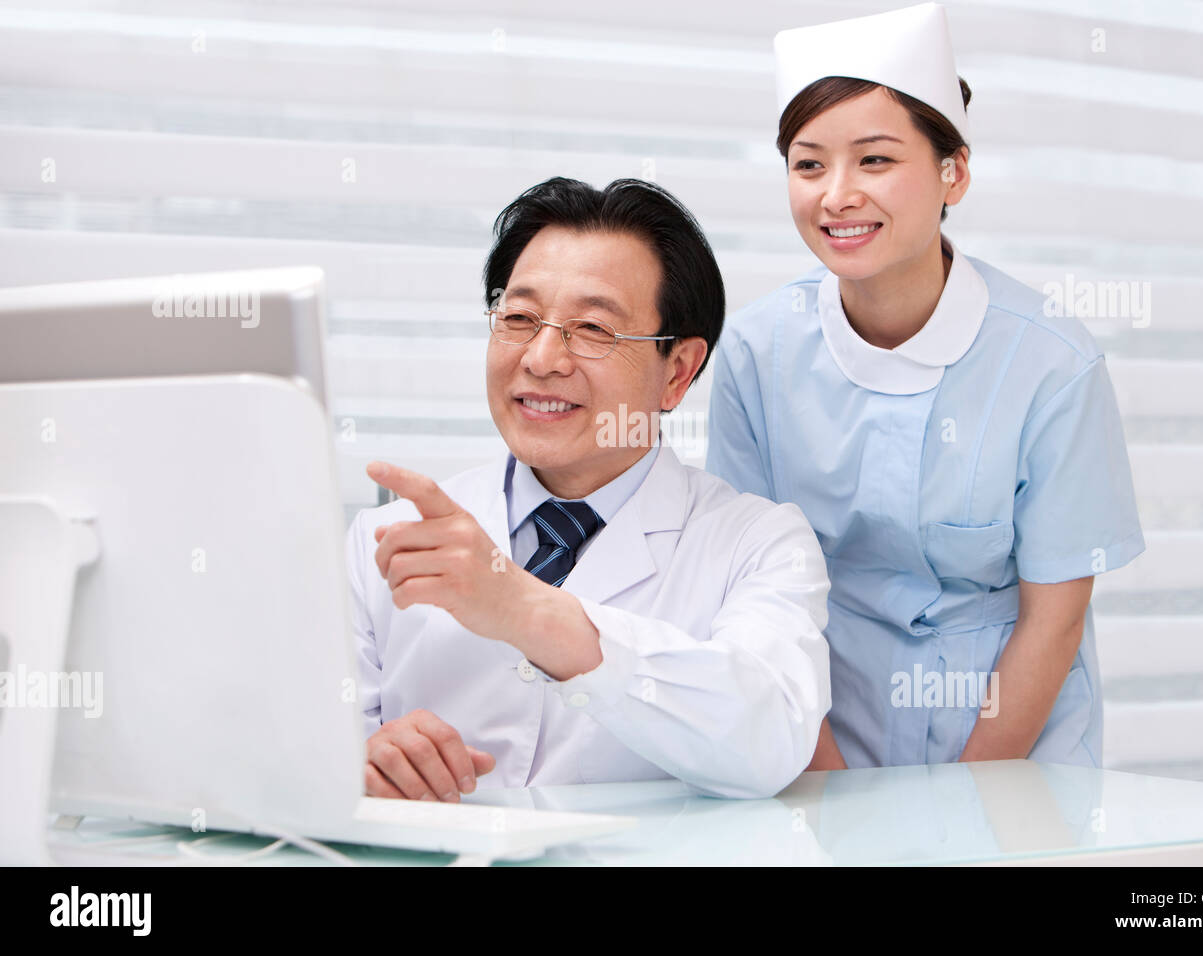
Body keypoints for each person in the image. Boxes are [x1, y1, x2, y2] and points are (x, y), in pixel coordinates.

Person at [706, 3, 1144, 769]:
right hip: (822, 731)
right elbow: (751, 595)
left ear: (955, 173)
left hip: (1015, 750)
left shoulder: (1051, 364)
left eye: (874, 160)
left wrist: (972, 802)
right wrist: (831, 793)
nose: (836, 194)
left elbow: (1054, 620)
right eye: (809, 164)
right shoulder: (754, 352)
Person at [347, 176, 832, 801]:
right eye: (518, 318)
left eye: (594, 329)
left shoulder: (759, 544)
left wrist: (527, 611)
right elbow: (299, 755)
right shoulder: (381, 539)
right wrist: (358, 768)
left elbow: (770, 739)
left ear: (677, 372)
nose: (543, 358)